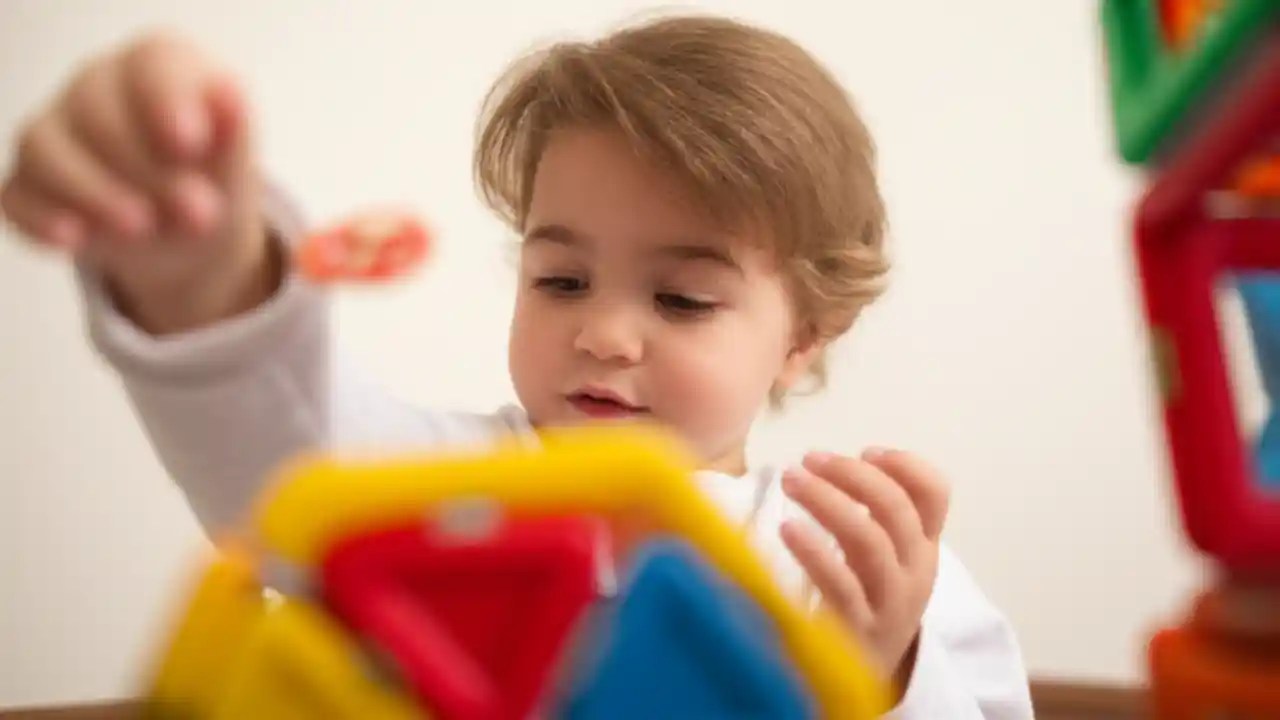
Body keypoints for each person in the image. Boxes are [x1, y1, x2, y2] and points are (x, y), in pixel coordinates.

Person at [0, 13, 1033, 717]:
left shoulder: (851, 564)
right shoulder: (448, 486)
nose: (605, 335)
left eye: (678, 298)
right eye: (560, 280)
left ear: (805, 336)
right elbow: (284, 466)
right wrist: (201, 282)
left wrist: (888, 672)